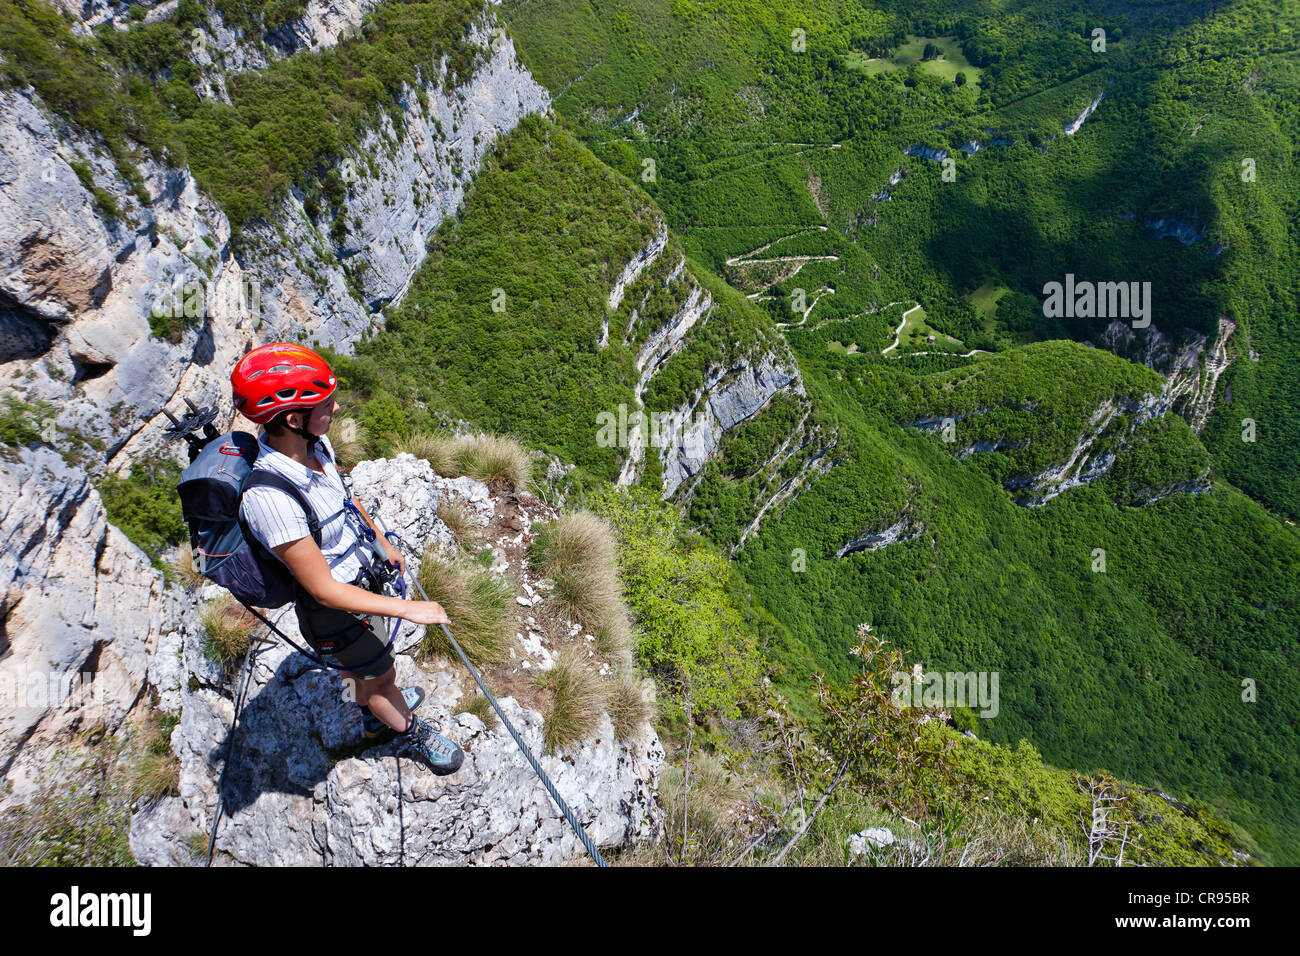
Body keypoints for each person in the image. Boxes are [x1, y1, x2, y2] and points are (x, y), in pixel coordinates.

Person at [230, 342, 463, 774]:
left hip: (360, 585)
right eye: (325, 403)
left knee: (369, 672)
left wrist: (382, 543)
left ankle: (375, 714)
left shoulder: (315, 448)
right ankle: (408, 730)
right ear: (293, 419)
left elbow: (346, 500)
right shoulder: (269, 498)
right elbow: (322, 589)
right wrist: (409, 610)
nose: (335, 408)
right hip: (333, 611)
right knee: (381, 678)